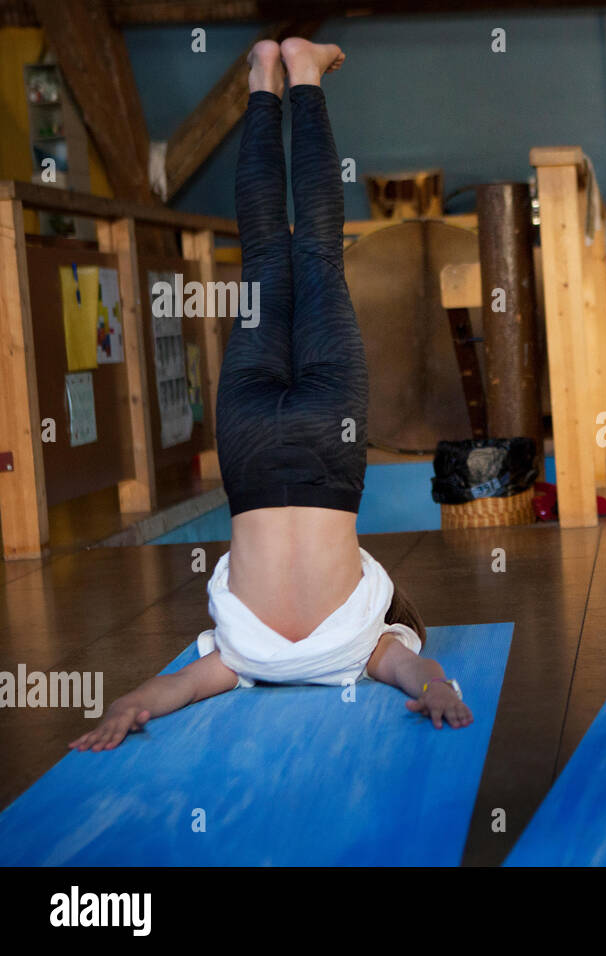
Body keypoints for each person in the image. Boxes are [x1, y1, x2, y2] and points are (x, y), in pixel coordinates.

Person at [71, 38, 471, 752]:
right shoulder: (243, 658)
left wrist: (440, 687)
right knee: (263, 252)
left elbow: (417, 669)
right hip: (251, 446)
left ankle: (304, 72)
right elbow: (176, 687)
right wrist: (130, 706)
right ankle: (263, 78)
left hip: (327, 441)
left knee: (315, 248)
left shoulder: (363, 646)